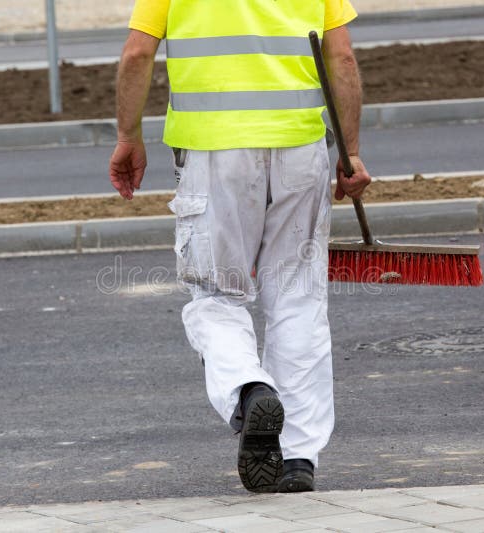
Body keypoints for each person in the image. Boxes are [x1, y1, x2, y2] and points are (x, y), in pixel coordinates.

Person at [109, 0, 371, 493]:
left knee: (215, 294)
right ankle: (297, 458)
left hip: (215, 154)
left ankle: (249, 391)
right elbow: (342, 60)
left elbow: (137, 56)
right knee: (297, 299)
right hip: (300, 149)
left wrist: (129, 135)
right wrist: (351, 151)